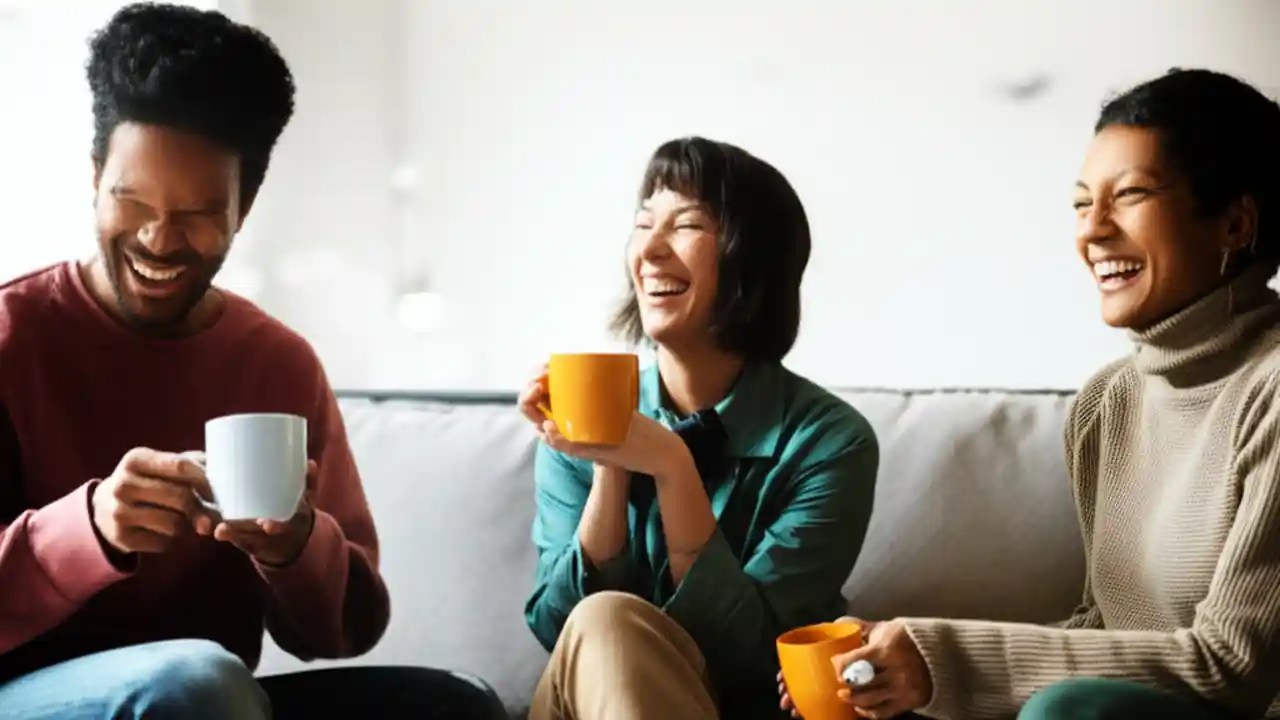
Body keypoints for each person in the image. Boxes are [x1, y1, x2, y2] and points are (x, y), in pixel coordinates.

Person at [0, 4, 502, 718]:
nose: (158, 239)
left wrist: (295, 547)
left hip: (216, 701)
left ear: (246, 204)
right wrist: (90, 530)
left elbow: (345, 631)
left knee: (451, 706)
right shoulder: (12, 337)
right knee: (196, 681)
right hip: (39, 697)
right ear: (93, 178)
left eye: (198, 211)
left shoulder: (278, 363)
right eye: (131, 200)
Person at [782, 68, 1280, 720]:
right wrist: (900, 673)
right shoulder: (1108, 403)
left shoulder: (1269, 391)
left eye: (1129, 195)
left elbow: (1233, 668)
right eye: (1081, 203)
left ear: (1236, 223)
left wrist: (947, 660)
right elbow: (1103, 634)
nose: (1093, 231)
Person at [517, 136, 880, 720]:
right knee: (604, 620)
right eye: (642, 224)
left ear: (751, 259)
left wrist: (671, 465)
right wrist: (610, 458)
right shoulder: (573, 424)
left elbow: (755, 662)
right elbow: (558, 631)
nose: (651, 250)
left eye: (686, 226)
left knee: (613, 620)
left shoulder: (831, 442)